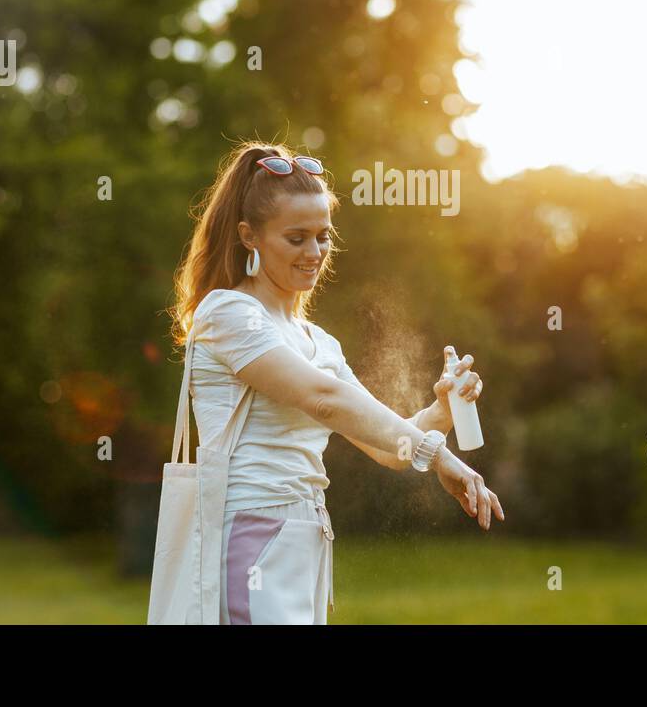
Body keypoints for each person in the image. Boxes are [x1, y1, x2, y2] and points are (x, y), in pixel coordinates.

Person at [168, 140, 504, 624]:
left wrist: (441, 411)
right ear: (249, 236)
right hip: (251, 533)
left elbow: (388, 448)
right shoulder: (228, 313)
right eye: (296, 237)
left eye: (323, 236)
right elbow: (324, 400)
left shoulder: (318, 341)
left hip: (306, 535)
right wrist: (439, 456)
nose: (315, 252)